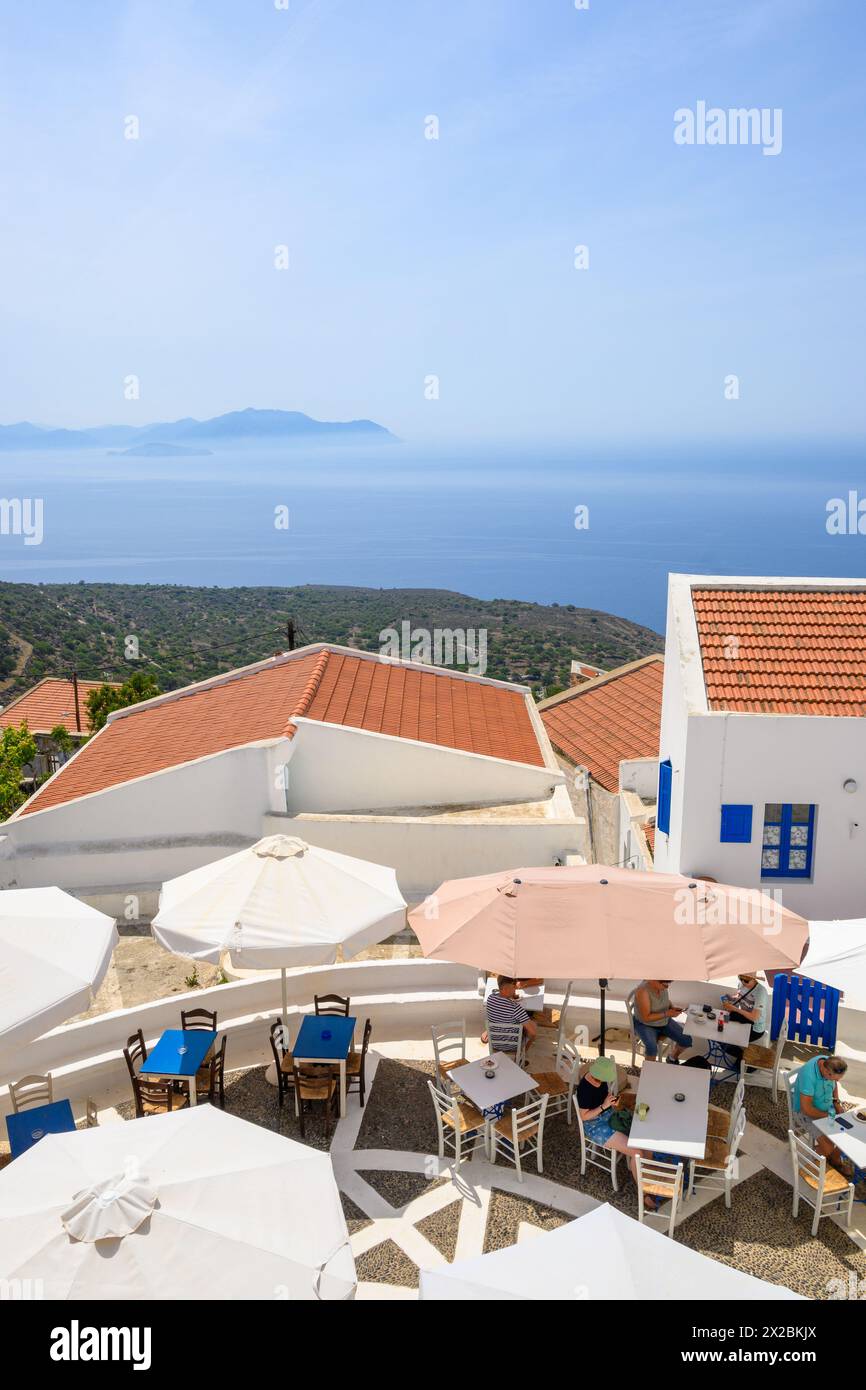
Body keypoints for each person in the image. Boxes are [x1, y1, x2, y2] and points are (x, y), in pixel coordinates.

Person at [575, 1056, 655, 1208]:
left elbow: (603, 1097)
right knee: (637, 1151)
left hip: (608, 1115)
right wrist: (604, 1106)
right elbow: (584, 1116)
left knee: (643, 1136)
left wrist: (611, 1101)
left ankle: (642, 1171)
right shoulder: (585, 1089)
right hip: (595, 1125)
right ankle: (644, 1192)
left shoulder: (600, 1079)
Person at [791, 1053, 854, 1176]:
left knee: (849, 1134)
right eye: (834, 1079)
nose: (836, 1082)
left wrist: (836, 1103)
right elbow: (806, 1110)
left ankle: (834, 1160)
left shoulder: (828, 1062)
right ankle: (814, 1165)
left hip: (827, 1109)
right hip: (806, 1113)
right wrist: (830, 1117)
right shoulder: (808, 1076)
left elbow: (834, 1085)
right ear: (826, 1071)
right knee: (828, 1147)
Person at [633, 980, 692, 1062]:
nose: (667, 986)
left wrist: (671, 1007)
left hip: (663, 1021)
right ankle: (649, 1070)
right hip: (645, 1024)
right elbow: (645, 1018)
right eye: (665, 984)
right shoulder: (643, 991)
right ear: (653, 980)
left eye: (669, 983)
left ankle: (672, 1058)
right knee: (652, 1049)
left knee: (686, 1040)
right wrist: (667, 1013)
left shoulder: (662, 985)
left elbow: (665, 1000)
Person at [719, 972, 770, 1064]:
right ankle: (743, 1057)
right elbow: (740, 997)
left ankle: (748, 1058)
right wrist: (730, 999)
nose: (743, 982)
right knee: (721, 1026)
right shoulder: (741, 985)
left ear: (754, 979)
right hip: (745, 1018)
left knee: (724, 1042)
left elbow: (754, 1017)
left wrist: (734, 1008)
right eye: (740, 978)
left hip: (755, 1027)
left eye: (746, 980)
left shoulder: (760, 992)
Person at [482, 976, 537, 1055]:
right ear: (505, 989)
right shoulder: (516, 1008)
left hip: (493, 1043)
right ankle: (522, 1054)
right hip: (512, 1046)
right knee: (533, 1026)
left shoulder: (490, 999)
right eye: (513, 987)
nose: (515, 989)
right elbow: (533, 1032)